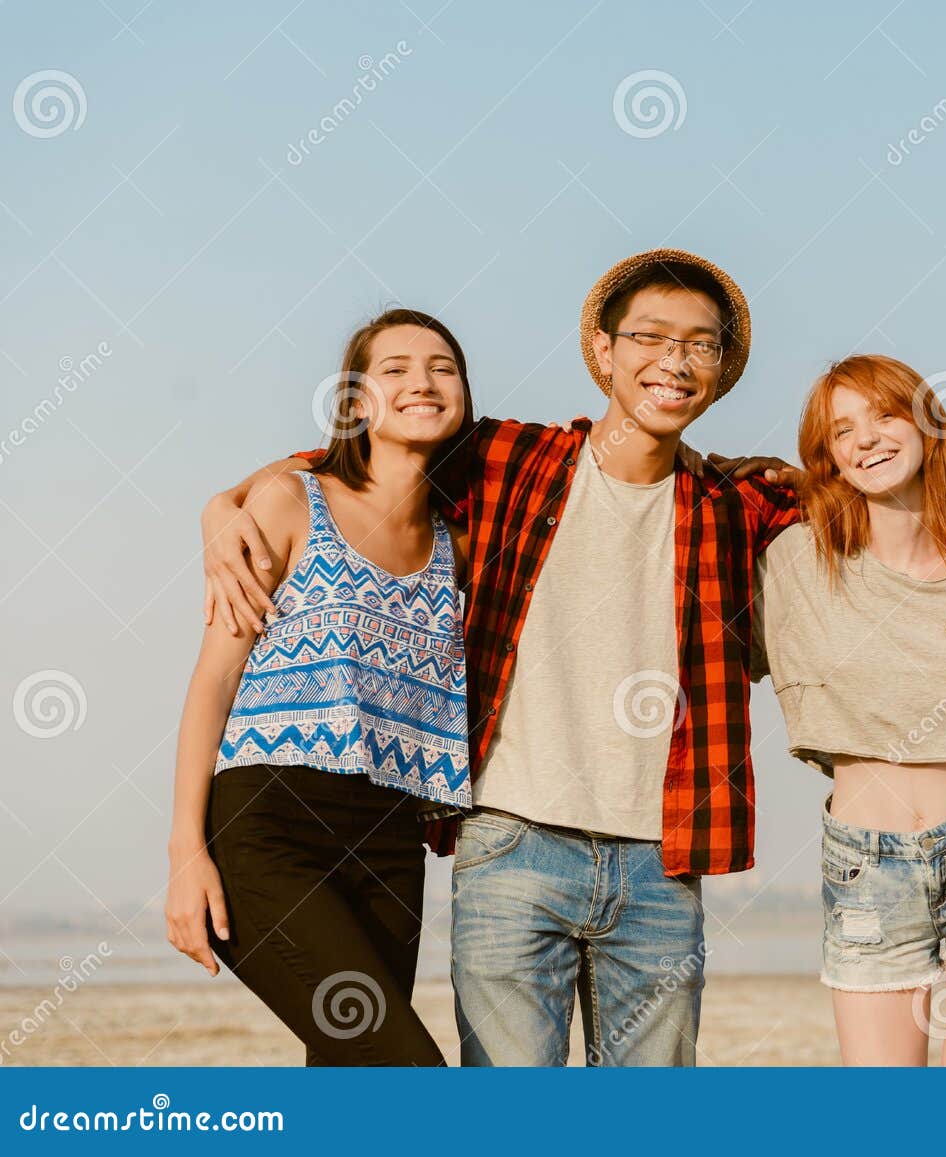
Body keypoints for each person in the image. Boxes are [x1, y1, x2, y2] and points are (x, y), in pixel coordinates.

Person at [199, 250, 798, 1067]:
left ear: (720, 365)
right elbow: (363, 459)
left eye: (700, 344)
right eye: (651, 337)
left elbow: (867, 500)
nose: (674, 360)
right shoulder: (514, 462)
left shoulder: (738, 503)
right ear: (603, 349)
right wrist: (222, 503)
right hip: (513, 847)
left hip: (662, 863)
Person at [165, 309, 474, 1065]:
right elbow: (214, 680)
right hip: (268, 828)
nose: (422, 381)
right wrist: (183, 853)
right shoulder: (290, 500)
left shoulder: (455, 545)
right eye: (394, 368)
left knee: (348, 1079)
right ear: (356, 402)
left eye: (441, 366)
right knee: (408, 1069)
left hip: (391, 841)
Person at [754, 354, 946, 1065]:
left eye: (884, 414)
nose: (867, 438)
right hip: (867, 862)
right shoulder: (794, 562)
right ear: (828, 457)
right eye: (842, 430)